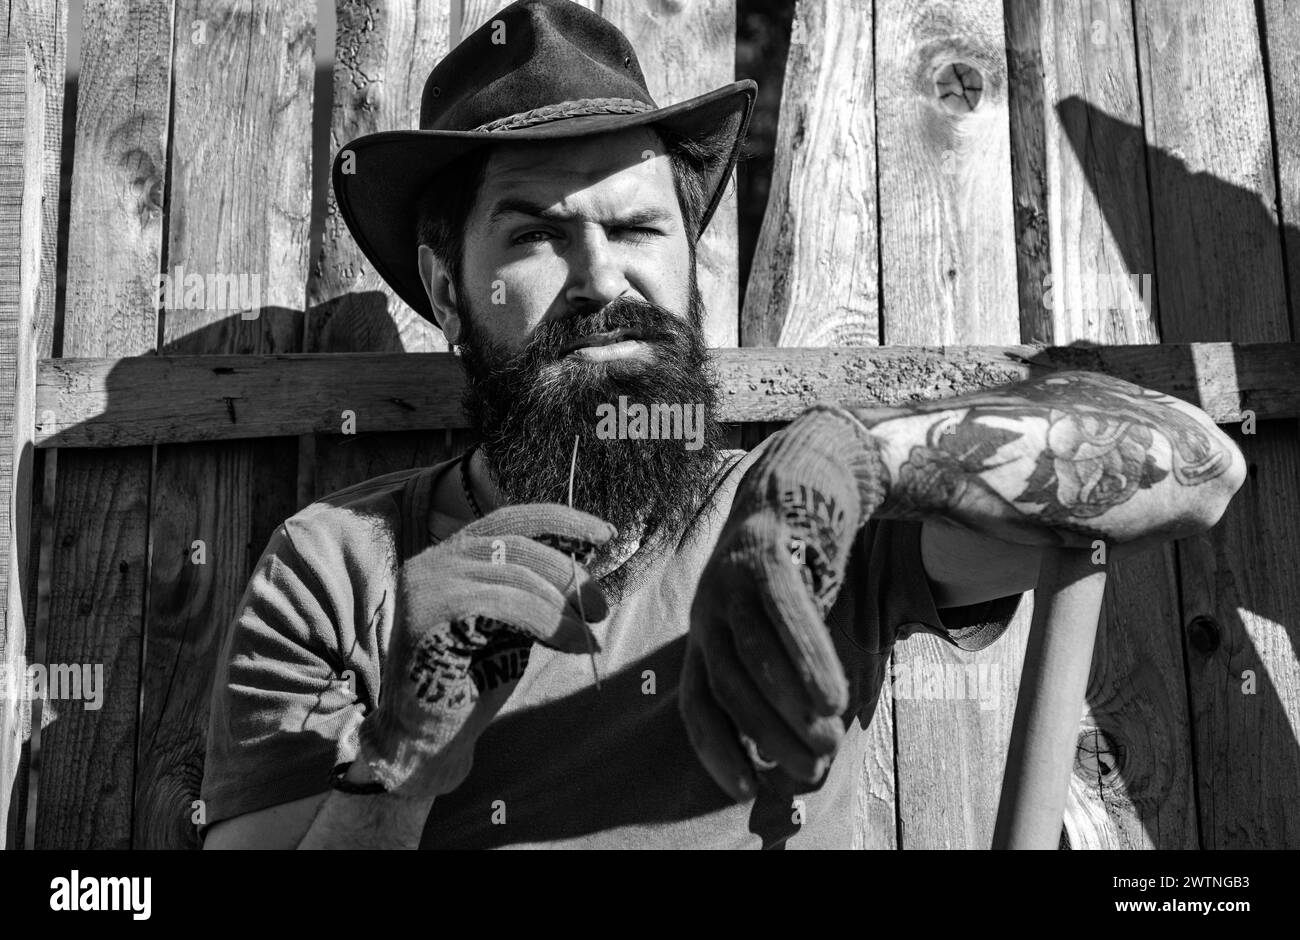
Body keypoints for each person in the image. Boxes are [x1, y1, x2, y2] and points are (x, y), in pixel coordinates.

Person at [200, 0, 1245, 849]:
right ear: (446, 284)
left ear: (687, 266)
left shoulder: (792, 525)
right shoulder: (336, 566)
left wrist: (853, 463)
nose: (600, 277)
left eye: (636, 226)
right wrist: (398, 760)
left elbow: (1193, 465)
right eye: (534, 233)